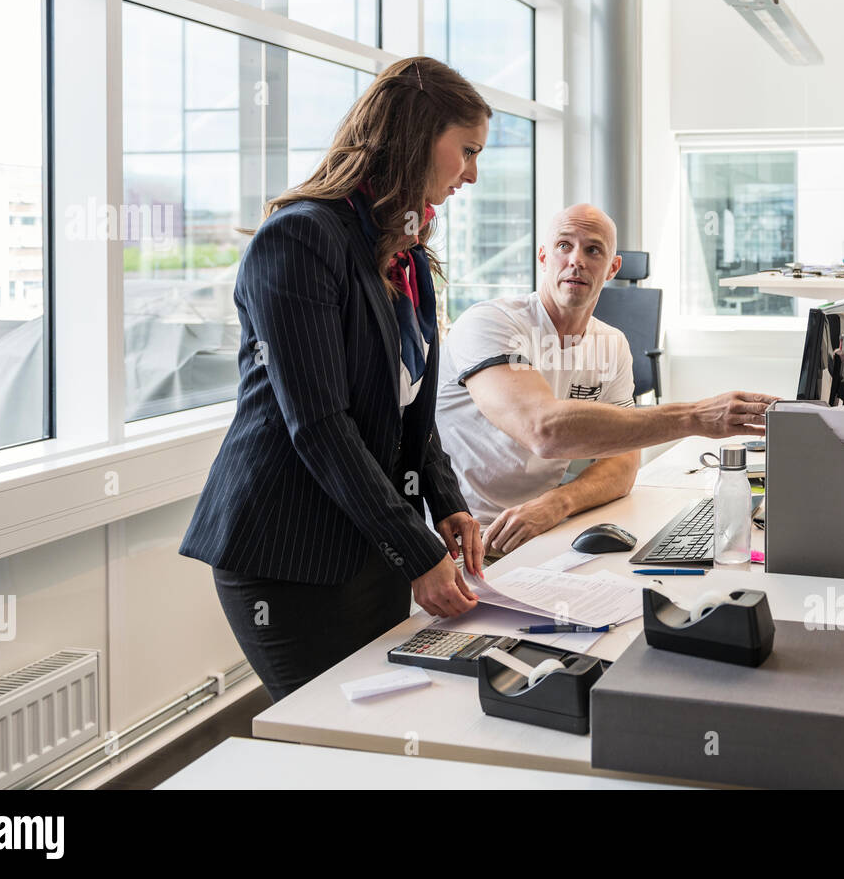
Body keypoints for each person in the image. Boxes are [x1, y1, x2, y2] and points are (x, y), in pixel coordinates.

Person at [180, 57, 488, 701]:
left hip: (370, 542)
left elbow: (409, 406)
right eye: (466, 151)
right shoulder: (299, 238)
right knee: (332, 734)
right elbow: (319, 424)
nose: (472, 174)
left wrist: (446, 500)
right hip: (287, 554)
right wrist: (415, 546)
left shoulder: (404, 253)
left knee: (383, 721)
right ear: (418, 135)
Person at [435, 202, 778, 556]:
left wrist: (558, 503)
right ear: (543, 257)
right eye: (564, 246)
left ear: (612, 267)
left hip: (542, 531)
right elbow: (543, 430)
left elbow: (624, 462)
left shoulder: (611, 343)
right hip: (466, 540)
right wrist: (694, 417)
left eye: (593, 250)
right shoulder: (490, 323)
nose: (576, 260)